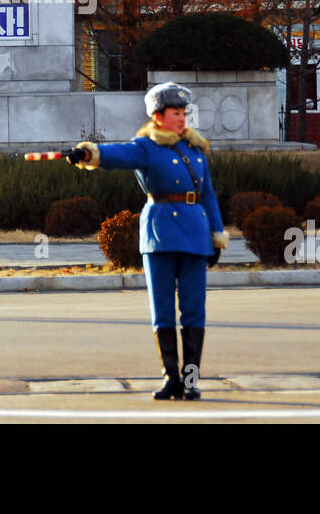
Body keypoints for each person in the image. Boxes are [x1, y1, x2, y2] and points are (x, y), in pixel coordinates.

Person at [68, 82, 227, 401]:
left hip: (196, 234)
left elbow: (207, 195)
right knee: (163, 310)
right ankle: (171, 378)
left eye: (184, 113)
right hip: (160, 233)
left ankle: (191, 379)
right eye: (175, 113)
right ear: (157, 116)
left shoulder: (196, 150)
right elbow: (116, 154)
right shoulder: (146, 146)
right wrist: (90, 153)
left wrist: (216, 235)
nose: (182, 119)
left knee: (195, 310)